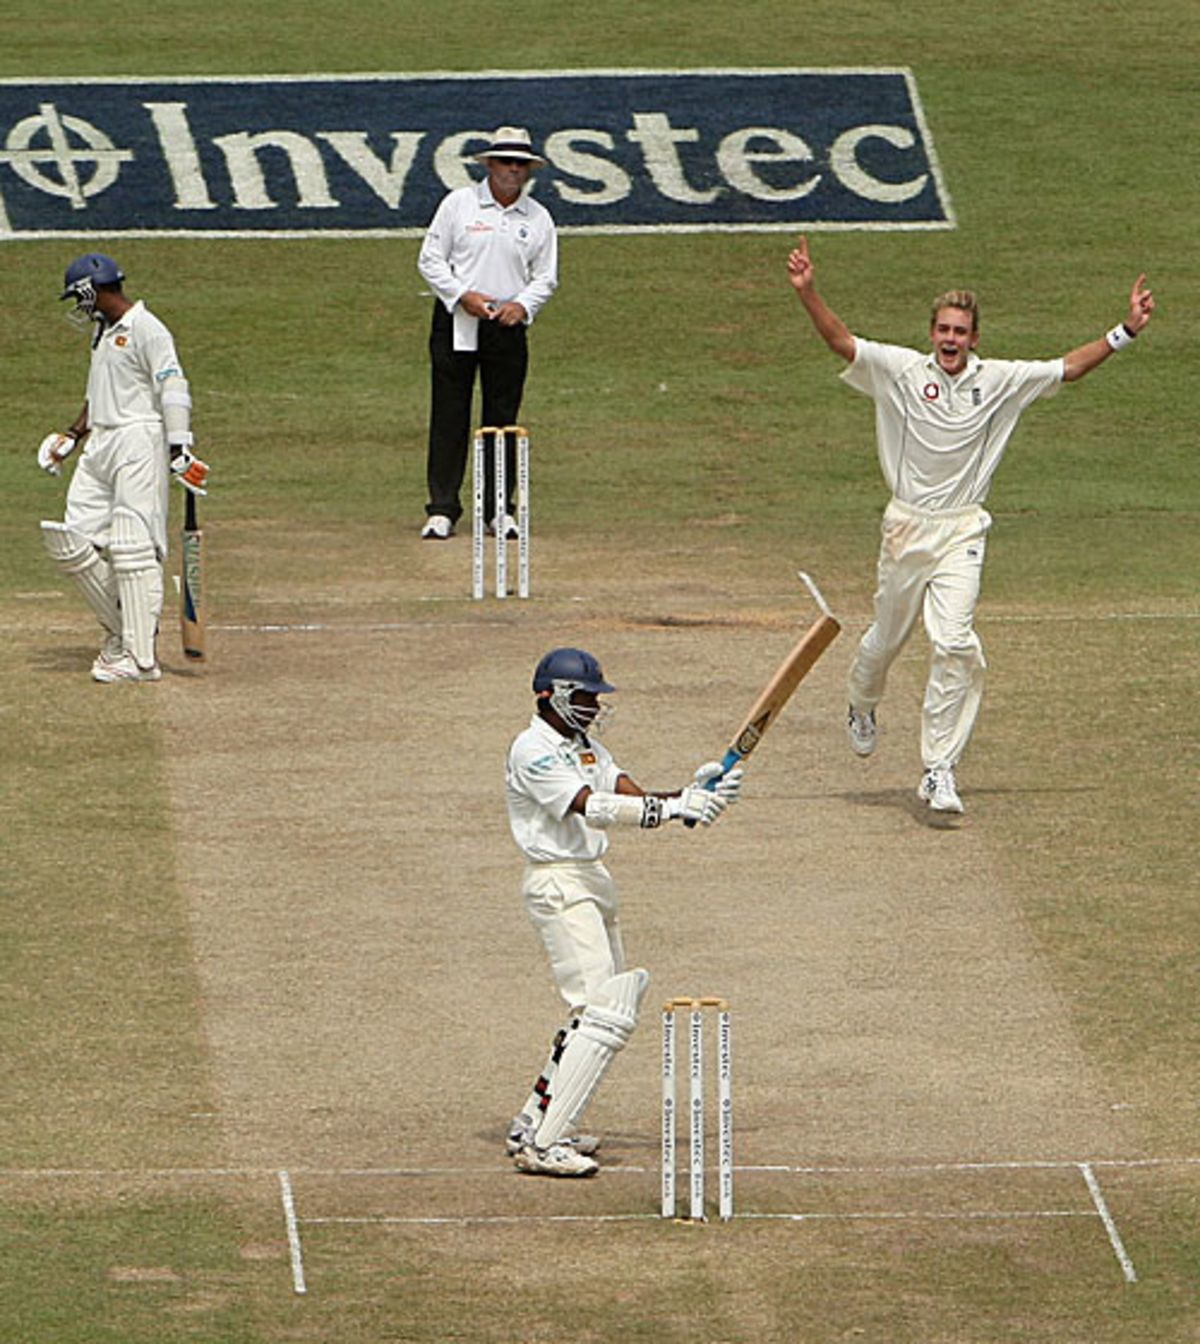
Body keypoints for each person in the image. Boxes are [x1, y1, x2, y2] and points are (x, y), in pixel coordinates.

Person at [787, 235, 1154, 814]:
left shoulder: (999, 380)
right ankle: (862, 701)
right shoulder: (900, 371)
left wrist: (1124, 331)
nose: (951, 340)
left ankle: (938, 769)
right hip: (907, 528)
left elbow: (1070, 368)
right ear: (931, 334)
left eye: (961, 332)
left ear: (974, 338)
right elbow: (840, 341)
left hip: (962, 531)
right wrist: (809, 292)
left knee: (956, 642)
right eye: (943, 330)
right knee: (886, 640)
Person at [504, 647, 743, 1177]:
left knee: (603, 1009)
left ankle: (538, 1122)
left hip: (592, 879)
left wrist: (690, 795)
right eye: (584, 696)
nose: (593, 705)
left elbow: (627, 792)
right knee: (601, 1012)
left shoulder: (587, 747)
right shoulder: (532, 750)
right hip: (558, 882)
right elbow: (593, 806)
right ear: (552, 696)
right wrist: (673, 808)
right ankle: (543, 1146)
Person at [37, 253, 209, 682]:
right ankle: (124, 633)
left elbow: (173, 386)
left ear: (91, 290)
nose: (79, 307)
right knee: (72, 539)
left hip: (139, 438)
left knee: (131, 548)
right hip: (102, 442)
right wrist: (72, 436)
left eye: (79, 298)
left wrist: (178, 448)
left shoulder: (148, 329)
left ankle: (139, 658)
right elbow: (98, 394)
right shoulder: (102, 332)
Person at [417, 126, 557, 541]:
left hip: (507, 327)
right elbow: (430, 260)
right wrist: (463, 296)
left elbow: (546, 277)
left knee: (501, 420)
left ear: (528, 170)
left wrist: (523, 306)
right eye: (505, 162)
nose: (513, 170)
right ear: (490, 164)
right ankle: (442, 510)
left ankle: (499, 511)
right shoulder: (459, 204)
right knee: (449, 415)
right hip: (458, 321)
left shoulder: (538, 218)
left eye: (520, 164)